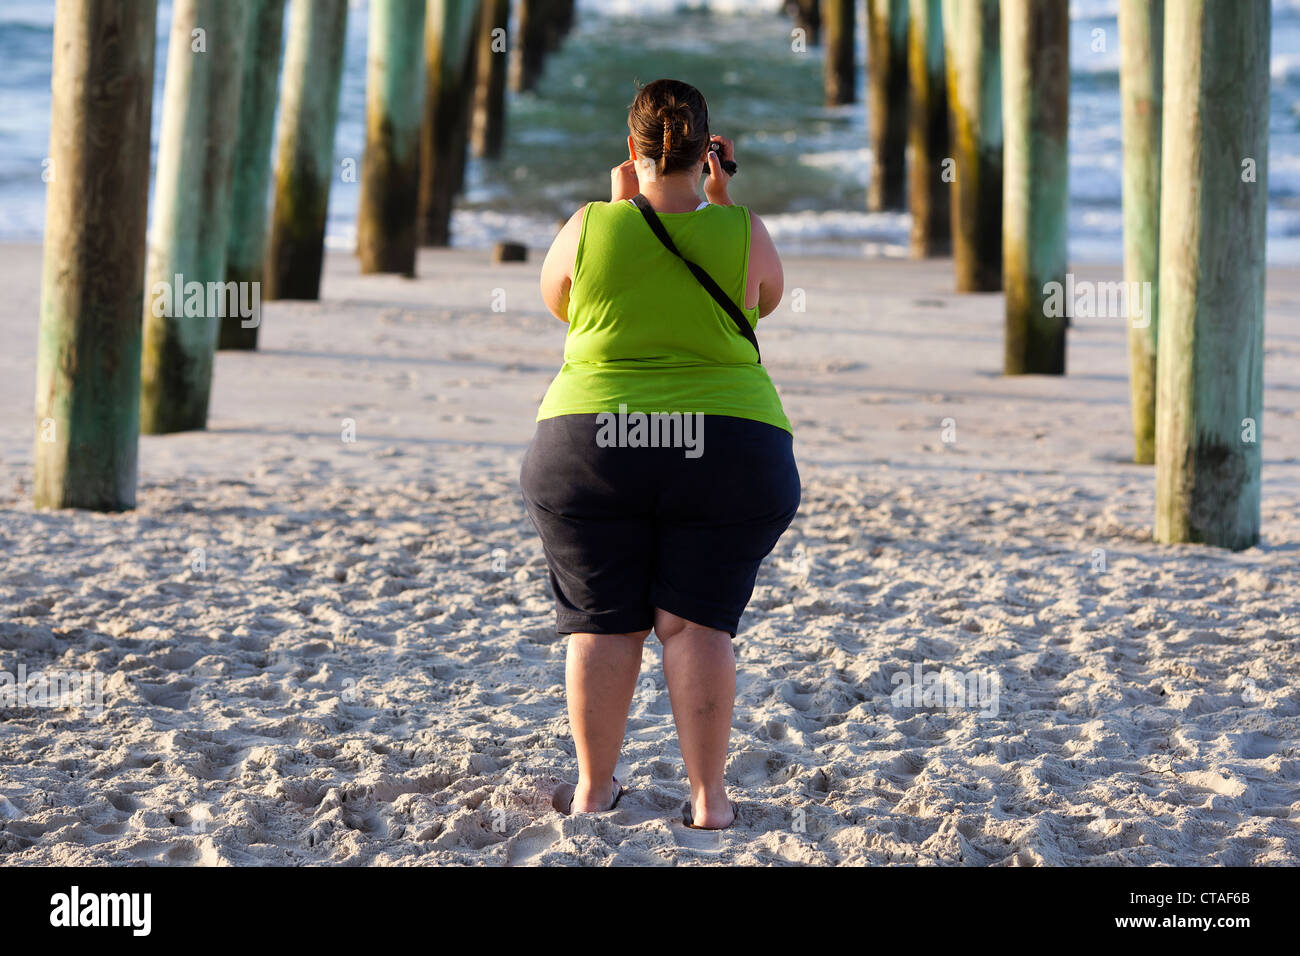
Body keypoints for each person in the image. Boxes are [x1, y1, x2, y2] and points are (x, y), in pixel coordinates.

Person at [520, 78, 799, 830]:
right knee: (697, 625)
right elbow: (763, 299)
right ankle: (709, 801)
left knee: (603, 625)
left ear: (631, 150)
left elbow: (562, 301)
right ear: (709, 152)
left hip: (591, 444)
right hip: (729, 445)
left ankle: (591, 790)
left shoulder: (588, 225)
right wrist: (724, 204)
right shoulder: (743, 229)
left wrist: (618, 212)